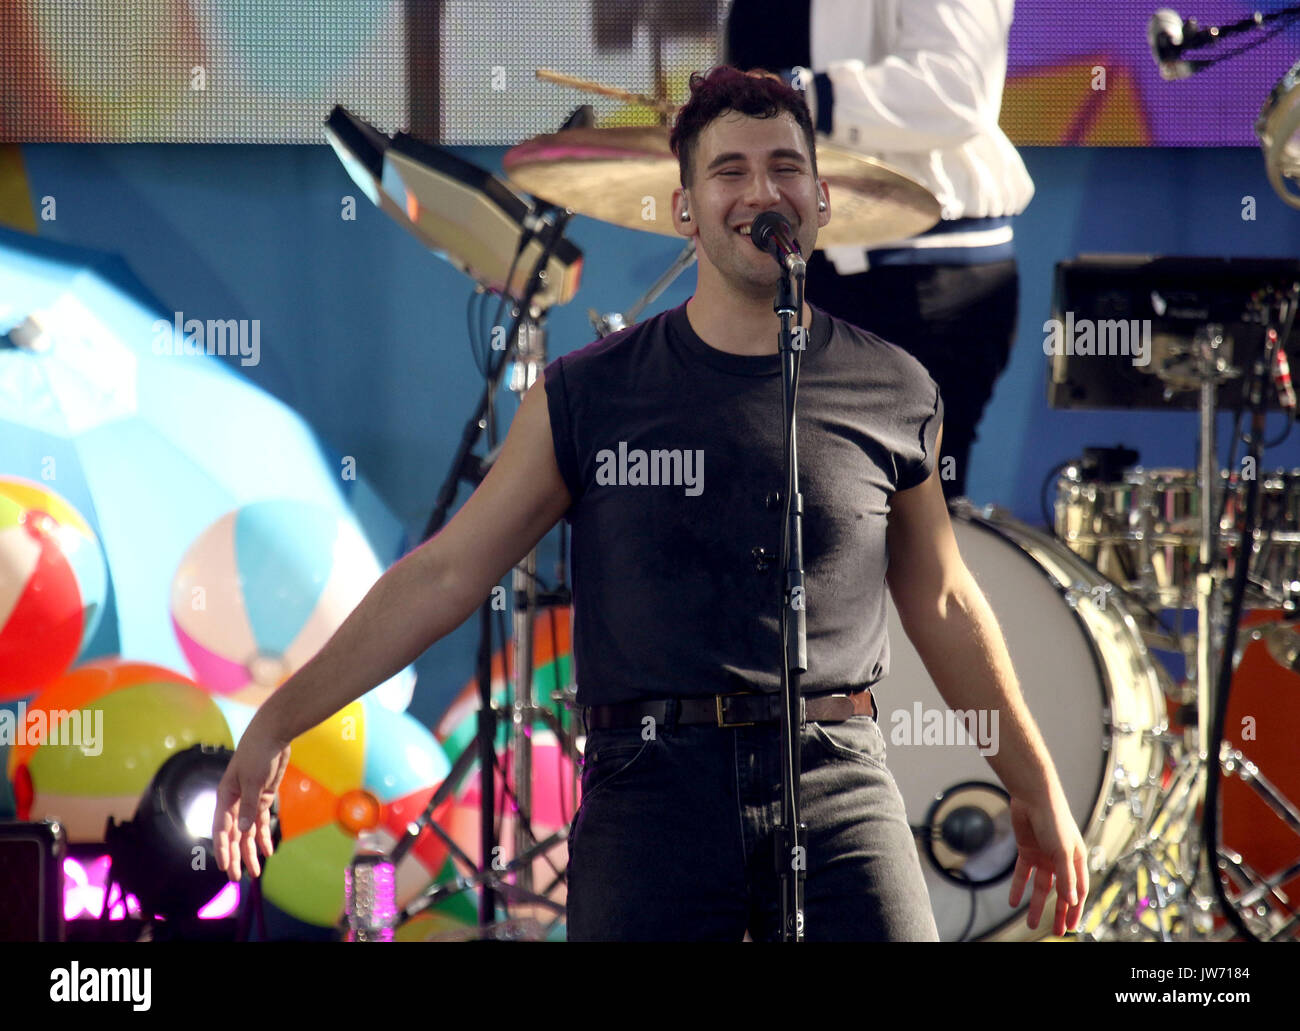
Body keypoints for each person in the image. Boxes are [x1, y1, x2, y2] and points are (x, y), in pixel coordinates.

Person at [213, 67, 1084, 942]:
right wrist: (283, 716)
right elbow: (446, 571)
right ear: (684, 209)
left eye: (784, 167)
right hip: (651, 792)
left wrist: (1033, 778)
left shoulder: (894, 386)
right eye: (729, 172)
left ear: (821, 199)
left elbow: (940, 596)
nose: (760, 191)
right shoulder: (591, 393)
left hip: (838, 779)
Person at [725, 0, 1033, 499]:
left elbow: (958, 85)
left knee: (904, 534)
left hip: (919, 271)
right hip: (797, 267)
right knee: (788, 523)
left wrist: (794, 94)